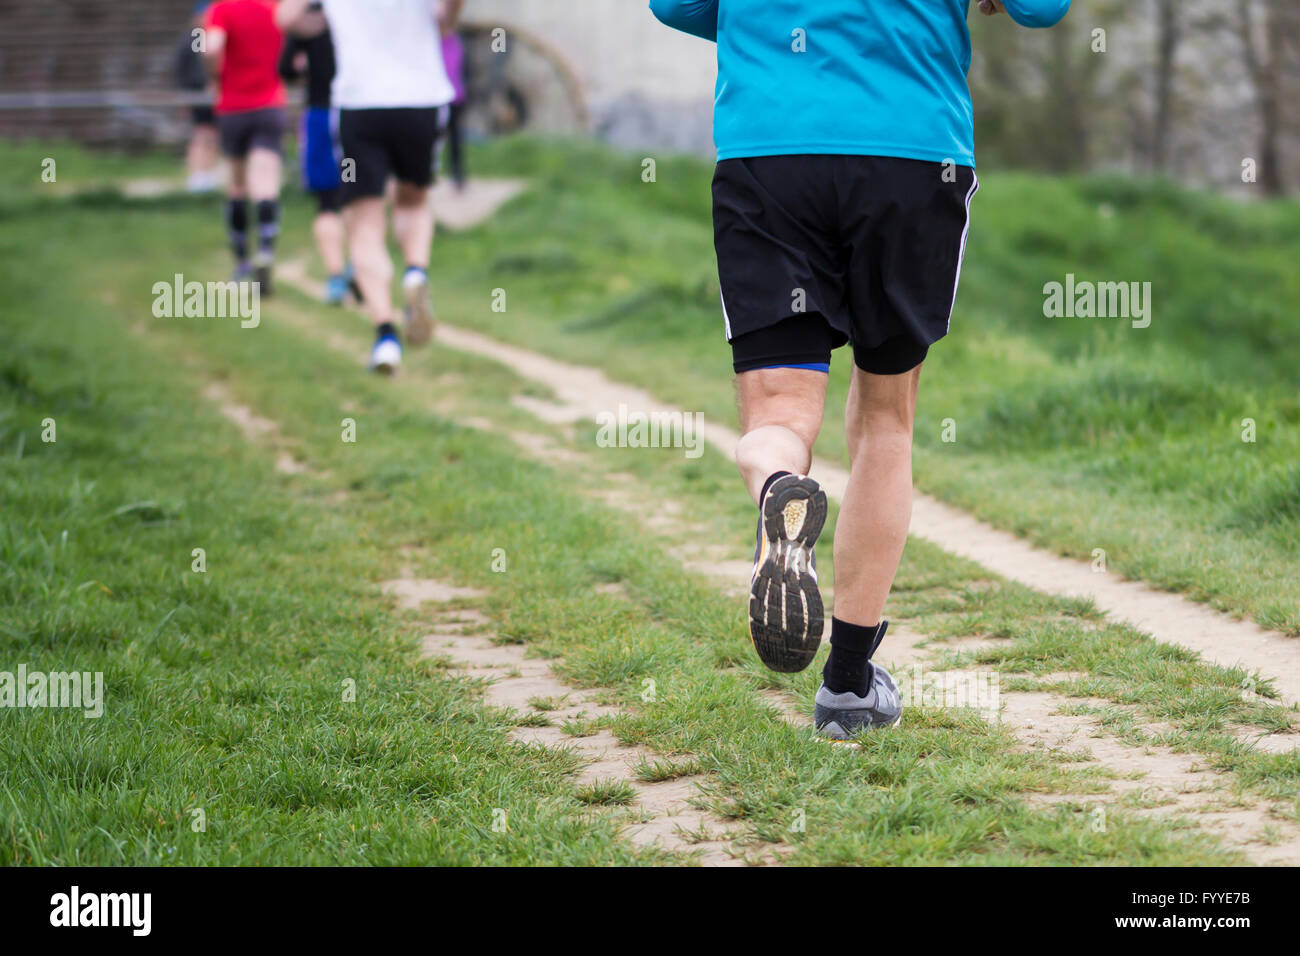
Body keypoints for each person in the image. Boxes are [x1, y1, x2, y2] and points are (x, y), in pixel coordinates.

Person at [649, 0, 1071, 738]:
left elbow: (674, 4)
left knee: (780, 411)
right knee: (886, 414)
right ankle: (848, 686)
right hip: (911, 151)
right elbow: (1043, 8)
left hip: (771, 147)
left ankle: (781, 489)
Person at [278, 0, 463, 375]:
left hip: (358, 106)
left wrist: (323, 20)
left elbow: (285, 17)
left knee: (363, 222)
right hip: (421, 101)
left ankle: (385, 337)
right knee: (412, 203)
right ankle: (416, 273)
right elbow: (447, 20)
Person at [204, 0, 288, 294]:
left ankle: (241, 264)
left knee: (237, 185)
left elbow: (210, 46)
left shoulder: (222, 8)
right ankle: (265, 251)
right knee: (266, 183)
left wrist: (215, 76)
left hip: (233, 107)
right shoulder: (276, 6)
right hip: (270, 104)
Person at [279, 2, 355, 305]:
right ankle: (359, 264)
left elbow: (284, 69)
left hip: (320, 119)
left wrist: (305, 71)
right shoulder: (357, 14)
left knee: (326, 202)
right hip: (354, 118)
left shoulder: (307, 19)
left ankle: (336, 277)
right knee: (357, 193)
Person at [177, 3, 221, 193]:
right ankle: (198, 176)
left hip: (206, 95)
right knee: (202, 135)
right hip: (199, 94)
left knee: (211, 136)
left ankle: (208, 175)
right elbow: (199, 66)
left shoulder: (205, 35)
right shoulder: (198, 35)